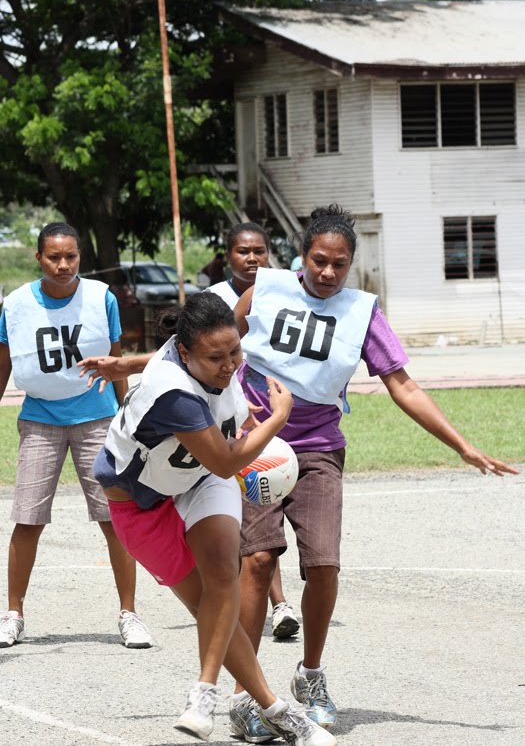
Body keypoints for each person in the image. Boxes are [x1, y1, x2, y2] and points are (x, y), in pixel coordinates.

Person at [228, 204, 519, 735]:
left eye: (340, 265)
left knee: (324, 566)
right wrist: (226, 402)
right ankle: (247, 691)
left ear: (352, 264)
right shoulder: (266, 290)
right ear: (303, 253)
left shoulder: (361, 312)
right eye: (319, 261)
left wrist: (462, 445)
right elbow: (217, 347)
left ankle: (309, 675)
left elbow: (402, 384)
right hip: (259, 444)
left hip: (318, 447)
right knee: (258, 559)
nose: (328, 273)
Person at [88, 291, 335, 746]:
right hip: (141, 502)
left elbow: (216, 467)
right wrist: (277, 421)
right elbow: (224, 461)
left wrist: (125, 365)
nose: (229, 364)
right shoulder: (173, 395)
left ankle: (203, 694)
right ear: (184, 353)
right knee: (205, 604)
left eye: (235, 351)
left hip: (200, 476)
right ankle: (279, 710)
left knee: (224, 572)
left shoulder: (195, 345)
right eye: (216, 357)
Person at [0, 222, 153, 650]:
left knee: (114, 520)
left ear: (80, 256)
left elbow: (118, 362)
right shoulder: (14, 305)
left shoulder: (101, 298)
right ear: (38, 258)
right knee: (27, 519)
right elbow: (4, 362)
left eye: (71, 256)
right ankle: (13, 613)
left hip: (97, 419)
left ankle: (129, 613)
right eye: (54, 257)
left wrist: (127, 415)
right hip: (40, 419)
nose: (63, 264)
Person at [207, 222, 301, 647]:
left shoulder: (282, 296)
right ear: (228, 255)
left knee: (265, 506)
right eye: (243, 251)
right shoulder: (216, 302)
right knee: (249, 524)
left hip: (275, 419)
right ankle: (255, 602)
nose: (252, 258)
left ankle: (279, 604)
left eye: (259, 251)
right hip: (229, 421)